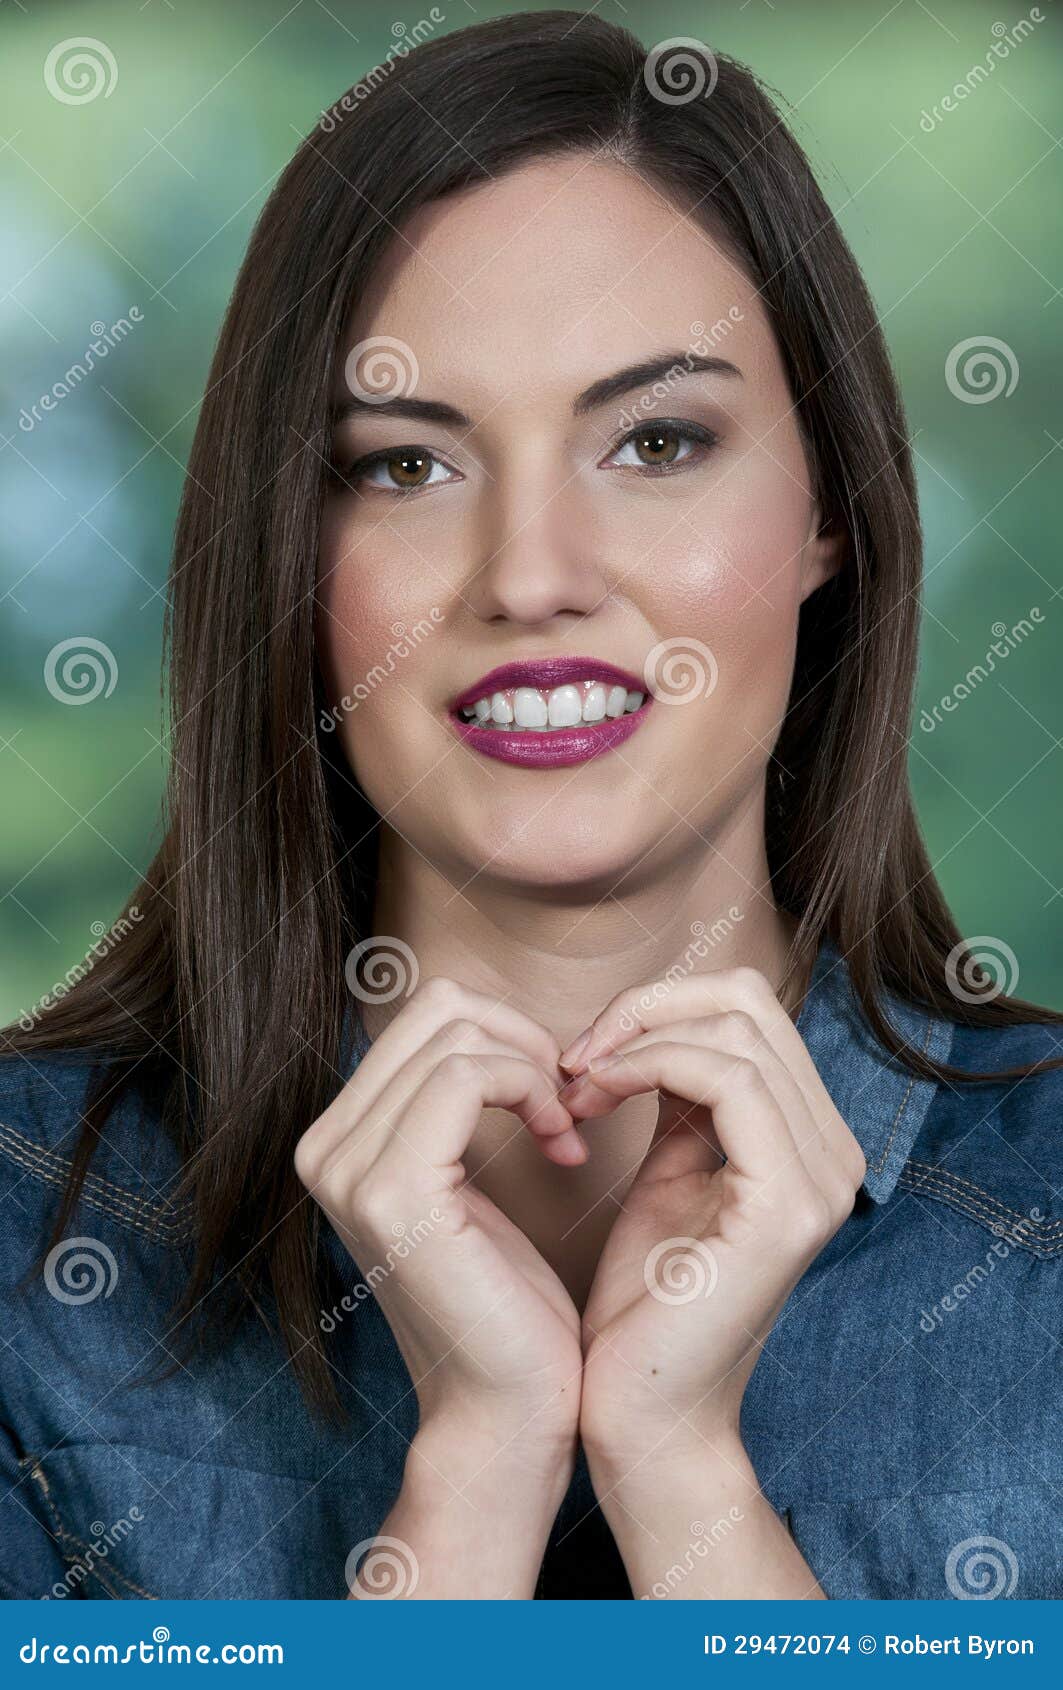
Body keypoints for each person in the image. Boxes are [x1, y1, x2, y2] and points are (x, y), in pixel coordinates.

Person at [2, 11, 1060, 1602]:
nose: (533, 576)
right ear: (291, 559)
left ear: (834, 503)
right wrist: (479, 1464)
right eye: (409, 467)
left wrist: (680, 1464)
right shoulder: (27, 1242)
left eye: (657, 440)